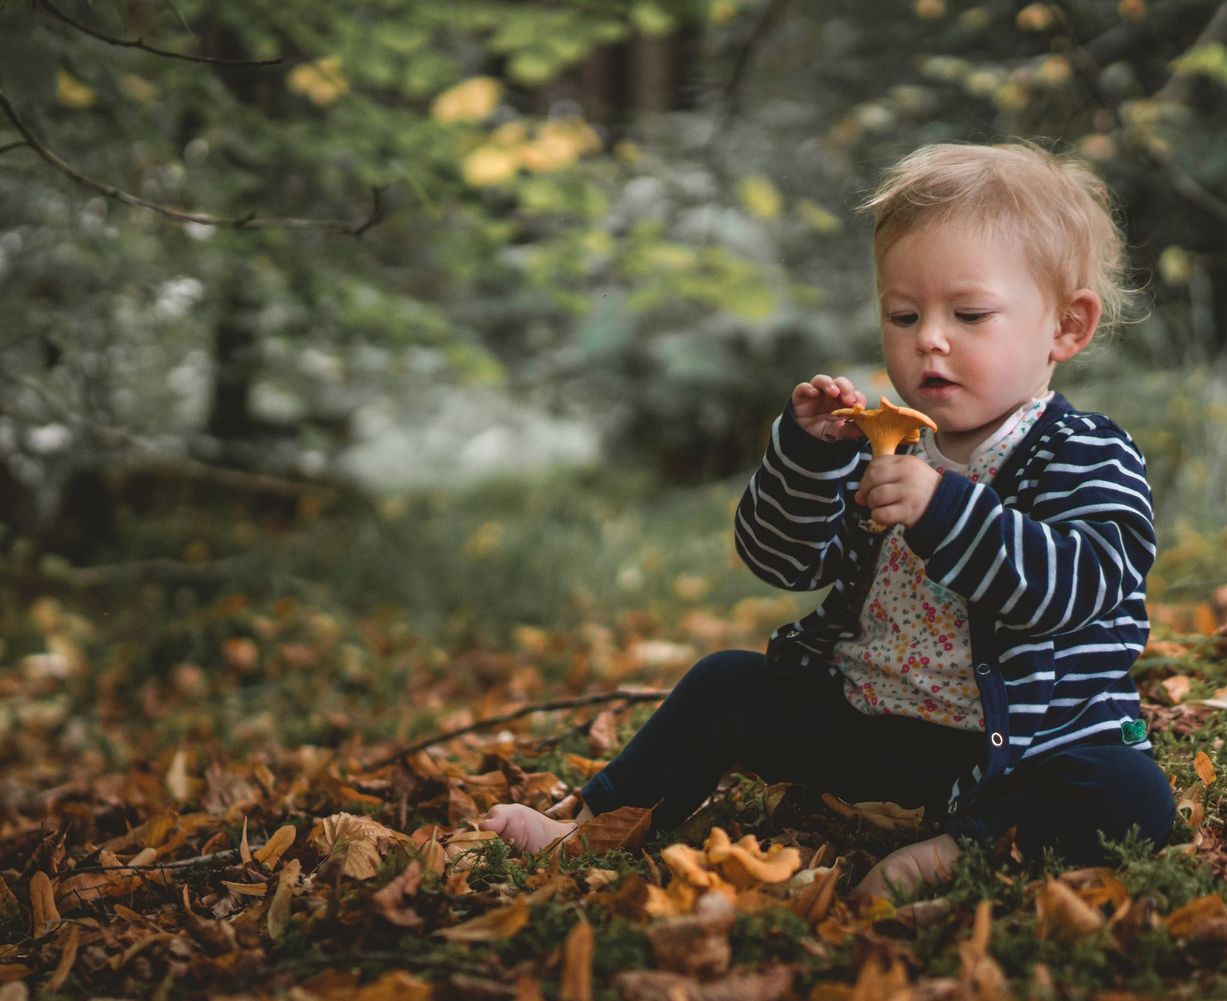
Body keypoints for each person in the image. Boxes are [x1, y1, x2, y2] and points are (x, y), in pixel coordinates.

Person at [481, 141, 1175, 898]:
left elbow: (1078, 583)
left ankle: (959, 847)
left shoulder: (1086, 452)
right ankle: (597, 819)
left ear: (1066, 328)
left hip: (1016, 748)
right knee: (726, 682)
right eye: (903, 314)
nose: (929, 338)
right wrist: (808, 460)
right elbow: (783, 560)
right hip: (866, 723)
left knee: (1126, 790)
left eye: (969, 314)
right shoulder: (889, 441)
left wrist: (944, 508)